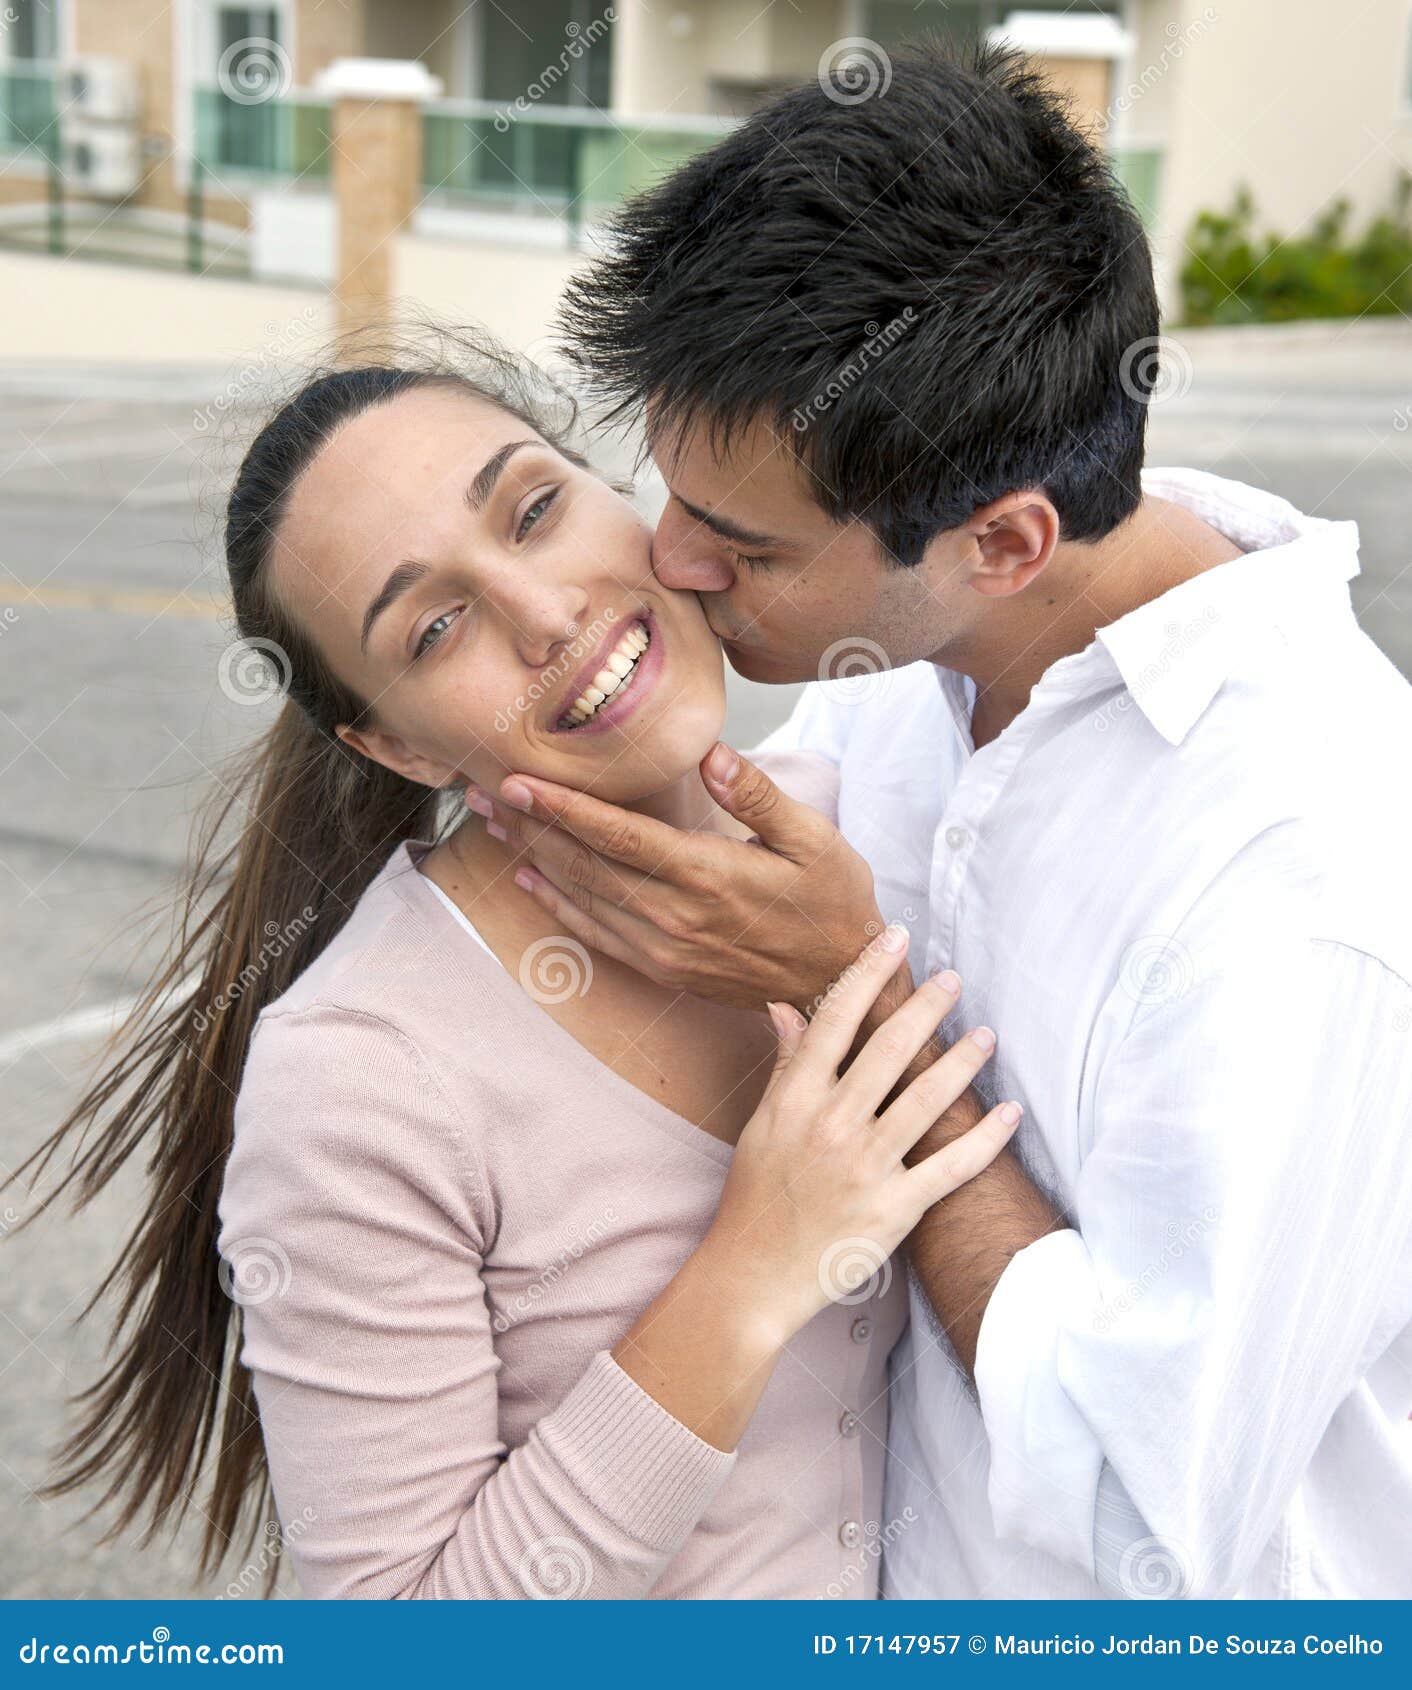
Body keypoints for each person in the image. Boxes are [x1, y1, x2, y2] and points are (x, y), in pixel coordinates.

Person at [470, 44, 1412, 1598]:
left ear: (1004, 540)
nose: (671, 561)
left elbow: (1142, 1524)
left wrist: (868, 999)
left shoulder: (1308, 884)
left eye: (743, 545)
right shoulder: (898, 670)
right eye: (670, 492)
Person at [14, 331, 1020, 1600]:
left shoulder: (860, 834)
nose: (548, 615)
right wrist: (752, 1267)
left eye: (534, 510)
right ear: (395, 745)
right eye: (436, 627)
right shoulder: (364, 1075)